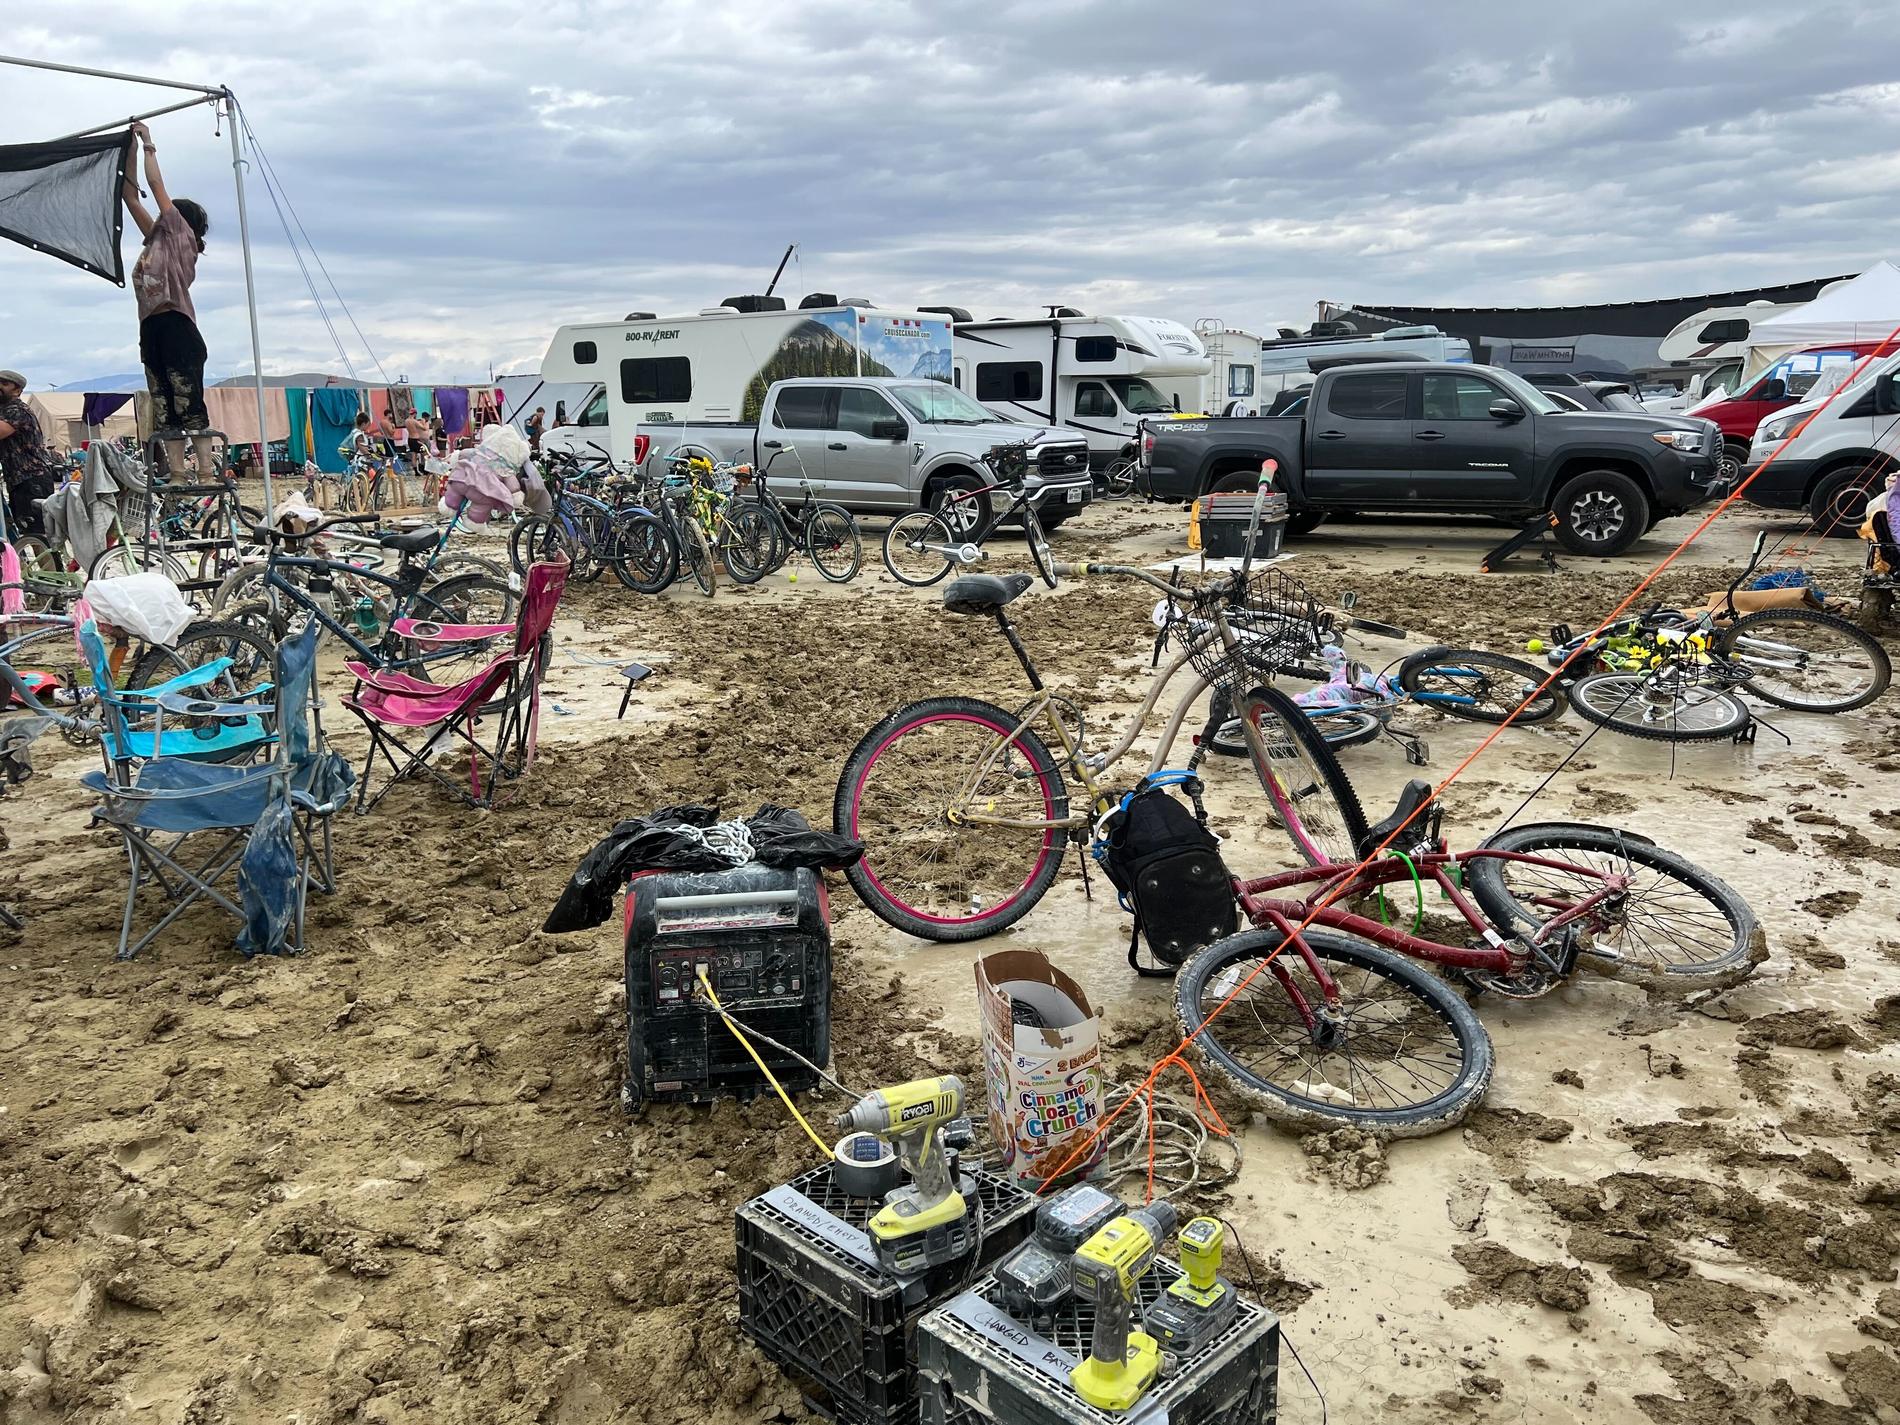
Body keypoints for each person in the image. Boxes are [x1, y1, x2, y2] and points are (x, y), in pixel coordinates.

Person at [119, 121, 214, 476]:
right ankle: (176, 473)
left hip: (177, 325)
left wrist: (148, 142)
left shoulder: (180, 235)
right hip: (152, 328)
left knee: (189, 403)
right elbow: (131, 196)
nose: (160, 214)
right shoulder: (156, 238)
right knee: (165, 408)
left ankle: (204, 470)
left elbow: (155, 185)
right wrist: (126, 147)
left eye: (166, 212)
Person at [0, 369, 57, 538]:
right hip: (18, 480)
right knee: (27, 531)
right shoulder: (4, 411)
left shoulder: (17, 410)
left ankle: (52, 565)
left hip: (32, 479)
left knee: (37, 533)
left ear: (17, 390)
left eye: (5, 384)